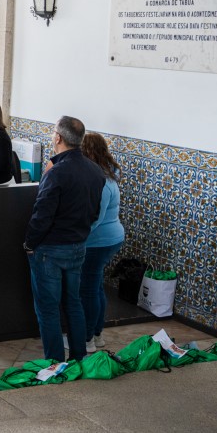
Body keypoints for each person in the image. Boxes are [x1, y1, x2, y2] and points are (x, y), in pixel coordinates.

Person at [23, 116, 105, 362]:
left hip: (49, 249)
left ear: (58, 138)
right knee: (73, 304)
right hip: (78, 245)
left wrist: (29, 243)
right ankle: (79, 357)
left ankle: (55, 363)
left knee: (48, 309)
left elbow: (42, 214)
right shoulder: (96, 171)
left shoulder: (57, 172)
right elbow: (93, 212)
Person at [80, 133, 125, 352]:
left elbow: (94, 218)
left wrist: (75, 235)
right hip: (111, 238)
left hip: (98, 242)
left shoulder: (101, 181)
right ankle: (97, 335)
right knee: (96, 286)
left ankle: (87, 339)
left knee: (88, 289)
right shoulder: (108, 174)